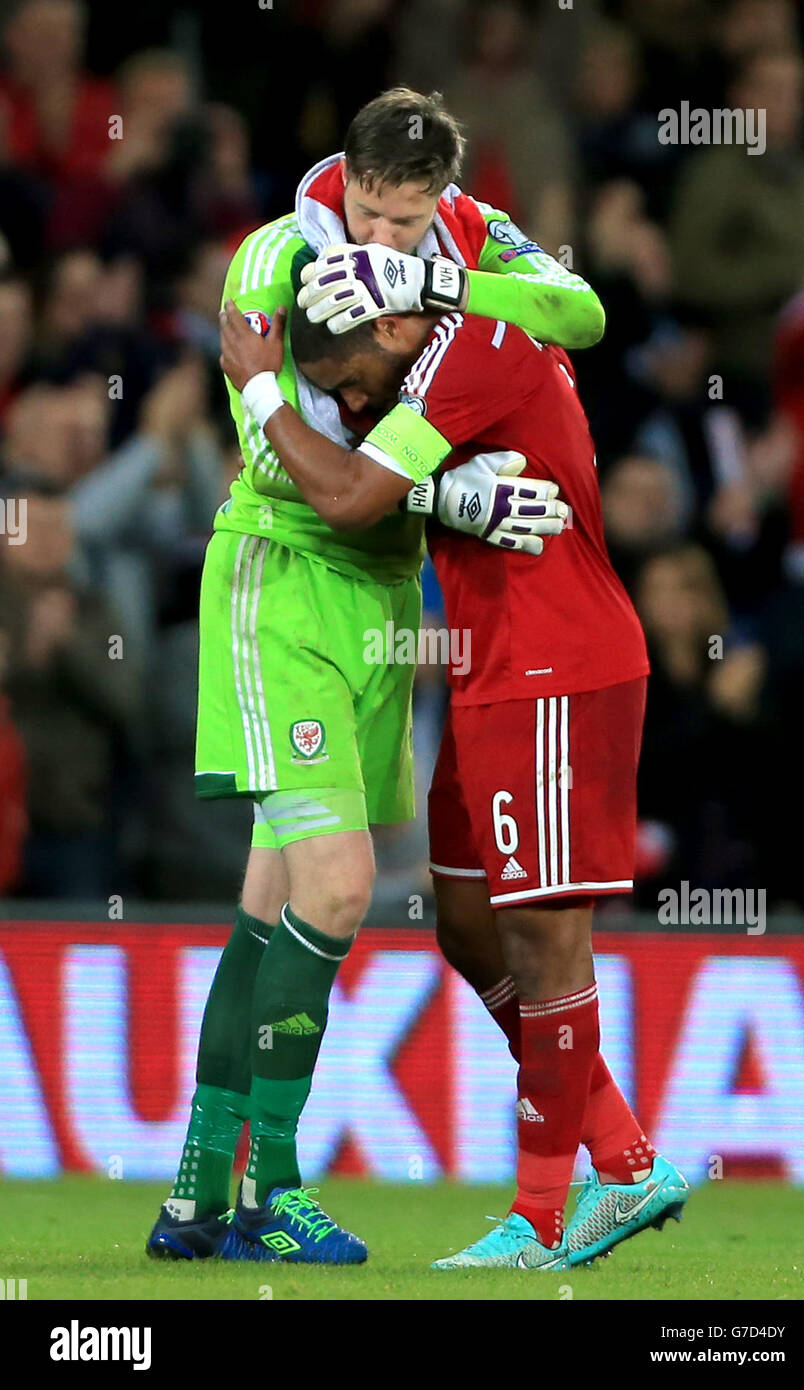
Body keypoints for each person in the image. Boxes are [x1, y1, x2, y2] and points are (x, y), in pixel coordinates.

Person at [147, 85, 600, 1265]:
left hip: (387, 598)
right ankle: (276, 1186)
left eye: (409, 221)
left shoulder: (458, 238)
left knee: (269, 907)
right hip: (284, 579)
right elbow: (269, 440)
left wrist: (436, 279)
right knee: (341, 888)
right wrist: (451, 493)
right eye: (373, 213)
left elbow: (580, 312)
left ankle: (199, 1190)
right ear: (344, 178)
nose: (383, 237)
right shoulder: (273, 256)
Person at [213, 273, 690, 1271]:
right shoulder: (429, 370)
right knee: (469, 927)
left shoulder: (474, 345)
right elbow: (384, 479)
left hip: (554, 667)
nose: (350, 408)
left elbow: (347, 495)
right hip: (488, 670)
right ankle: (623, 1153)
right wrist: (446, 492)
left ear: (396, 316)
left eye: (349, 384)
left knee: (545, 938)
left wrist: (261, 389)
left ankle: (542, 1217)